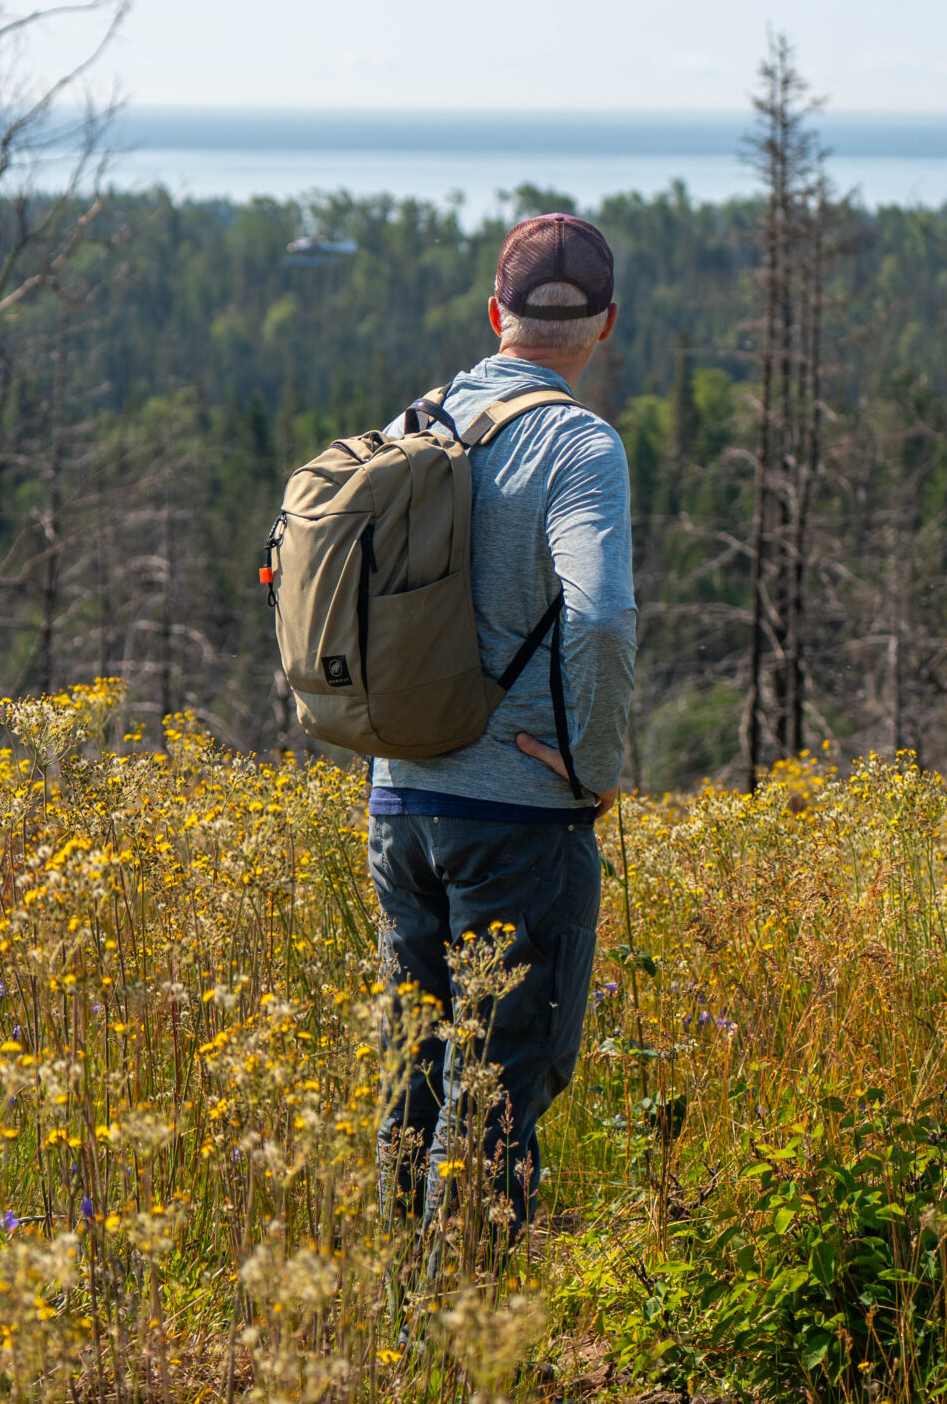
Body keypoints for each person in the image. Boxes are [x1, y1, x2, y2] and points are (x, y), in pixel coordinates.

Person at [369, 211, 637, 1235]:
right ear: (603, 324)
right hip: (520, 810)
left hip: (399, 798)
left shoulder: (417, 421)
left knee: (417, 1072)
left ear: (495, 313)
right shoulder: (579, 444)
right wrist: (592, 762)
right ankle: (465, 1348)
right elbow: (601, 610)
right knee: (502, 1084)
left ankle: (398, 1330)